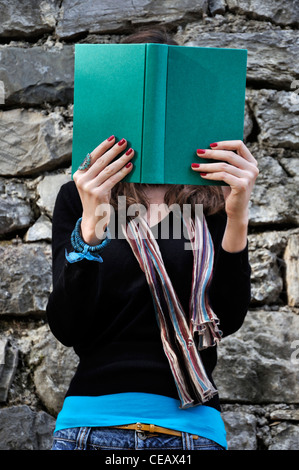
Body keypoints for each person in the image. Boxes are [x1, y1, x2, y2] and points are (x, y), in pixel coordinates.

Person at [47, 28, 259, 451]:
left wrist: (237, 217)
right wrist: (90, 225)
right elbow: (67, 326)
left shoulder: (212, 200)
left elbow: (228, 318)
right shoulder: (80, 195)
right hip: (91, 424)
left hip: (192, 430)